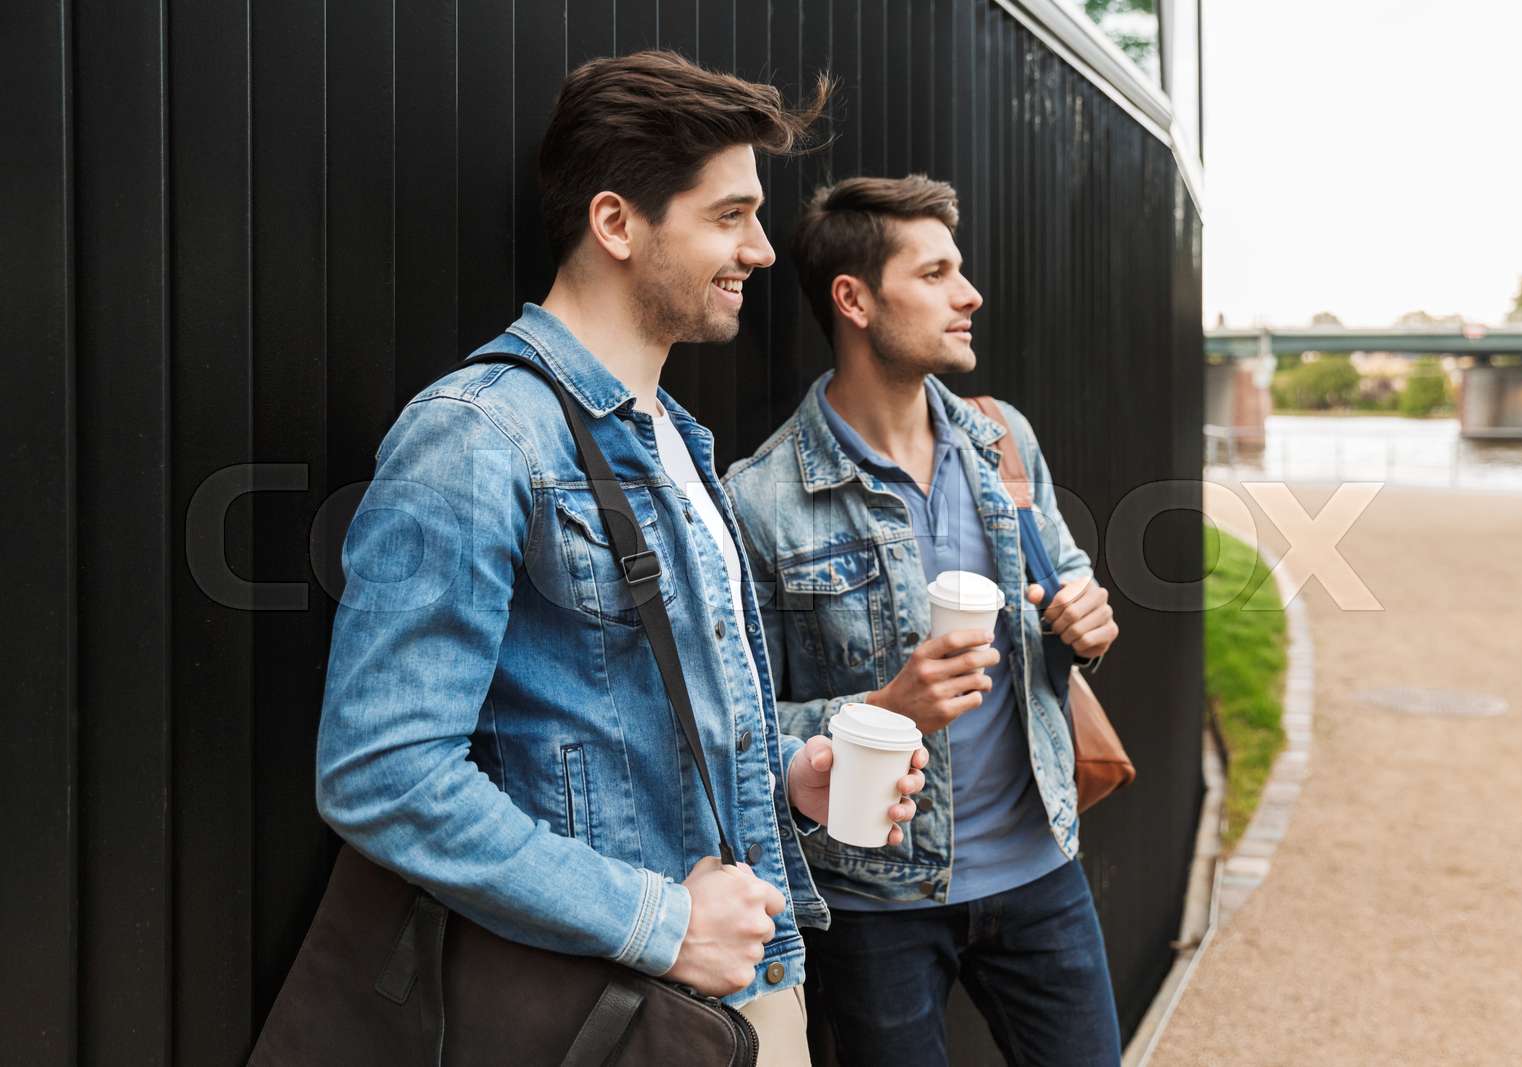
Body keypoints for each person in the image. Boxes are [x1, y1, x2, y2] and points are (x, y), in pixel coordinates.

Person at [313, 54, 928, 1064]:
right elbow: (381, 769)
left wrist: (794, 775)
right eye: (729, 216)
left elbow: (637, 724)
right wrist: (661, 919)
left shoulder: (676, 441)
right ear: (616, 224)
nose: (763, 250)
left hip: (742, 989)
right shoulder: (476, 437)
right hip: (602, 1010)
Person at [723, 175, 1121, 1065]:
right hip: (873, 905)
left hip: (1042, 865)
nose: (968, 293)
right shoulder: (760, 502)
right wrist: (888, 706)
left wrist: (1084, 621)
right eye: (936, 272)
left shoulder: (1001, 438)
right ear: (854, 299)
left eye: (961, 269)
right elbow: (739, 728)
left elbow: (1066, 580)